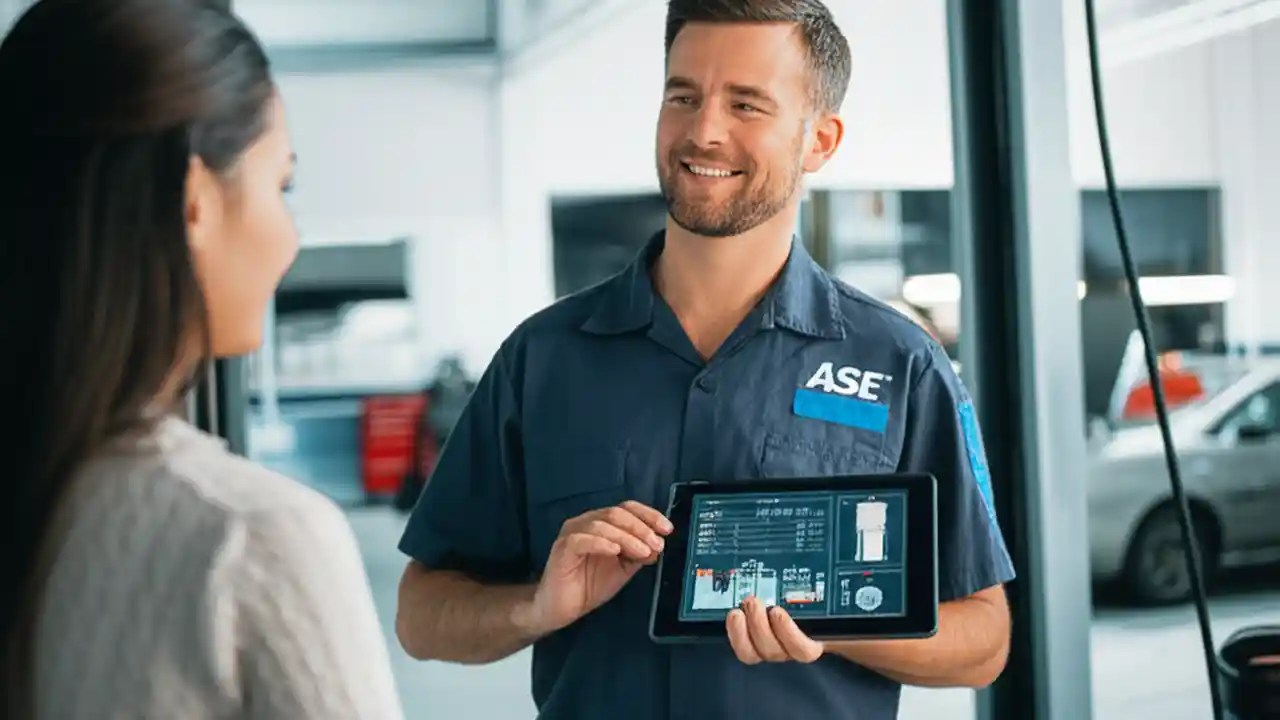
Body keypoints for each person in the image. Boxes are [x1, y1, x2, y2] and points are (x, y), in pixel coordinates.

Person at [395, 1, 1014, 718]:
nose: (703, 130)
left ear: (820, 141)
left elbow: (984, 637)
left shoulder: (902, 363)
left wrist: (827, 619)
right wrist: (537, 607)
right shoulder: (543, 360)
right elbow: (420, 613)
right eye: (682, 95)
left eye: (747, 104)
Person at [0, 1, 403, 718]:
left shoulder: (39, 492)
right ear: (195, 204)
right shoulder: (250, 534)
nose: (290, 237)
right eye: (281, 186)